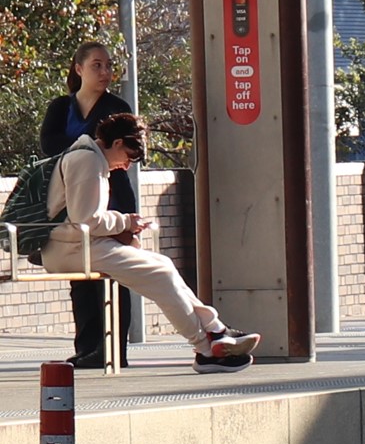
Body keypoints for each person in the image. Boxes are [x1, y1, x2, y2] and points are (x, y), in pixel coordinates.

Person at [40, 114, 263, 374]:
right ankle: (205, 348)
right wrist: (126, 222)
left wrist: (123, 223)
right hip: (71, 249)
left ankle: (216, 331)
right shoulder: (87, 160)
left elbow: (84, 219)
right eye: (130, 156)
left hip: (76, 245)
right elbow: (86, 220)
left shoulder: (89, 157)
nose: (127, 165)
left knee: (163, 264)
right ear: (118, 142)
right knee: (159, 273)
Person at [38, 42, 136, 369]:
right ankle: (87, 347)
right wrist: (89, 149)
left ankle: (113, 349)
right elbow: (48, 146)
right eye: (97, 65)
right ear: (78, 69)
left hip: (113, 197)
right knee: (80, 276)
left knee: (112, 272)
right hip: (71, 201)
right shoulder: (60, 108)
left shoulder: (117, 106)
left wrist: (82, 152)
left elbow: (123, 148)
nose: (105, 72)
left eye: (109, 66)